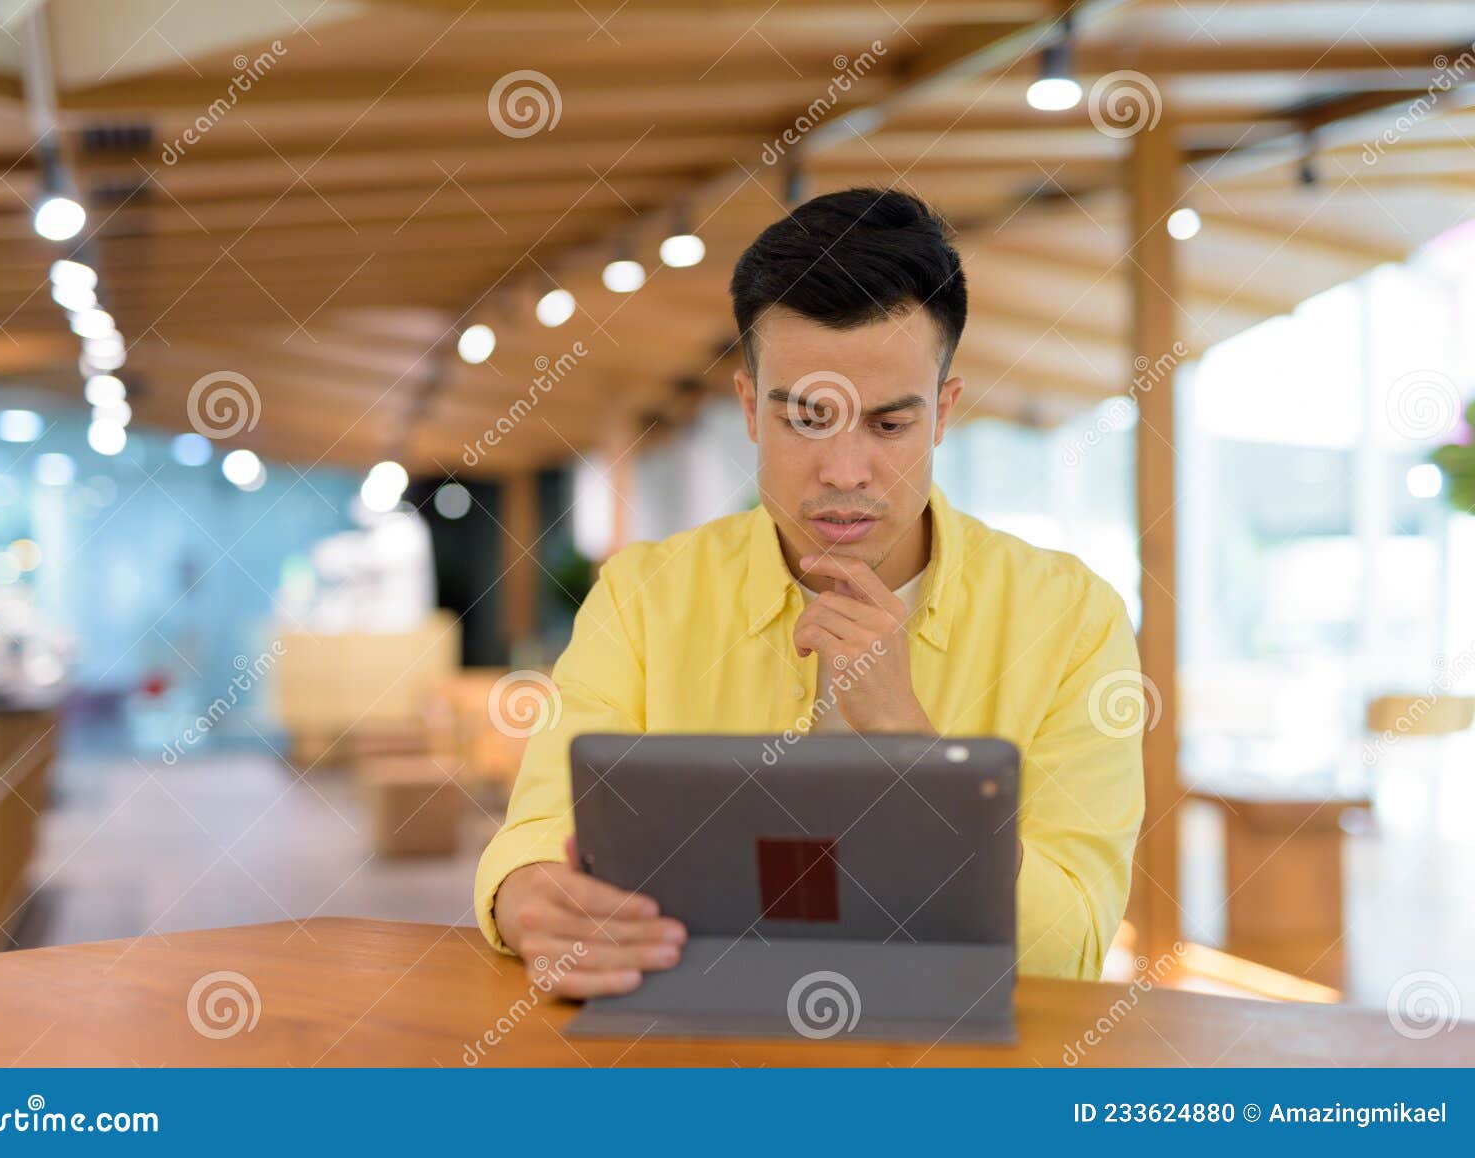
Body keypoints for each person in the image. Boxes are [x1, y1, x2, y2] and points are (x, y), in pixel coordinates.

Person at [474, 186, 1144, 998]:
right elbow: (539, 832)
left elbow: (1067, 949)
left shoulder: (1070, 620)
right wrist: (530, 900)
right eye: (805, 420)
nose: (845, 472)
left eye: (890, 425)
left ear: (943, 414)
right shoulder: (645, 598)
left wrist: (912, 748)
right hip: (691, 1058)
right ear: (752, 409)